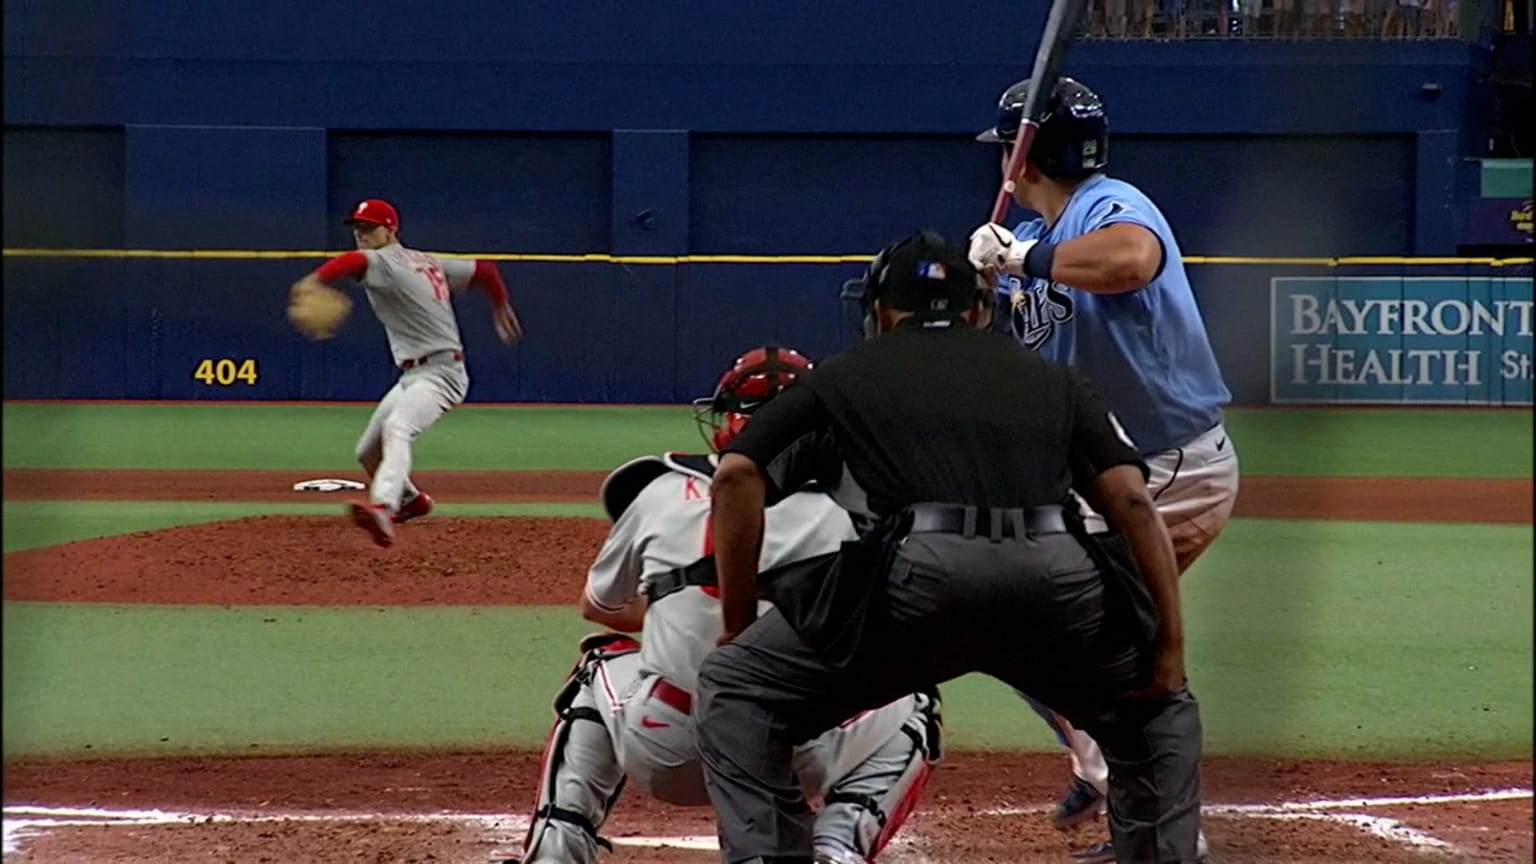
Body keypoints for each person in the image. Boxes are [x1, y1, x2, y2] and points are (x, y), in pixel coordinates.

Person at [694, 231, 1203, 864]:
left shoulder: (850, 373)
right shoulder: (1053, 380)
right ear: (980, 311)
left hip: (918, 583)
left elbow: (735, 476)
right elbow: (1131, 503)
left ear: (880, 312)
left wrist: (738, 623)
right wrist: (1169, 649)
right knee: (1156, 716)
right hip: (1055, 580)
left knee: (736, 688)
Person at [501, 346, 941, 864]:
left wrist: (679, 610)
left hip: (665, 747)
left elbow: (598, 605)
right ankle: (839, 843)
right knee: (915, 695)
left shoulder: (658, 494)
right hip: (796, 752)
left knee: (599, 664)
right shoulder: (854, 511)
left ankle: (558, 845)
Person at [968, 77, 1235, 862]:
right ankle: (1108, 771)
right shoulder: (1032, 233)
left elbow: (1130, 261)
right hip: (1115, 477)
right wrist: (983, 282)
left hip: (1167, 470)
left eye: (1007, 154)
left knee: (1067, 634)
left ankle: (1162, 824)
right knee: (1010, 620)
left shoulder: (1109, 207)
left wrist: (1024, 255)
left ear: (1025, 158)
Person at [289, 198, 523, 547]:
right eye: (357, 227)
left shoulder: (384, 261)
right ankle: (413, 501)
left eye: (369, 227)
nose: (361, 234)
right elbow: (486, 270)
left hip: (441, 373)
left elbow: (353, 261)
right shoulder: (428, 261)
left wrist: (314, 281)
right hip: (414, 376)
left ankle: (383, 506)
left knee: (398, 428)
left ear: (390, 230)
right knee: (367, 452)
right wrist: (500, 304)